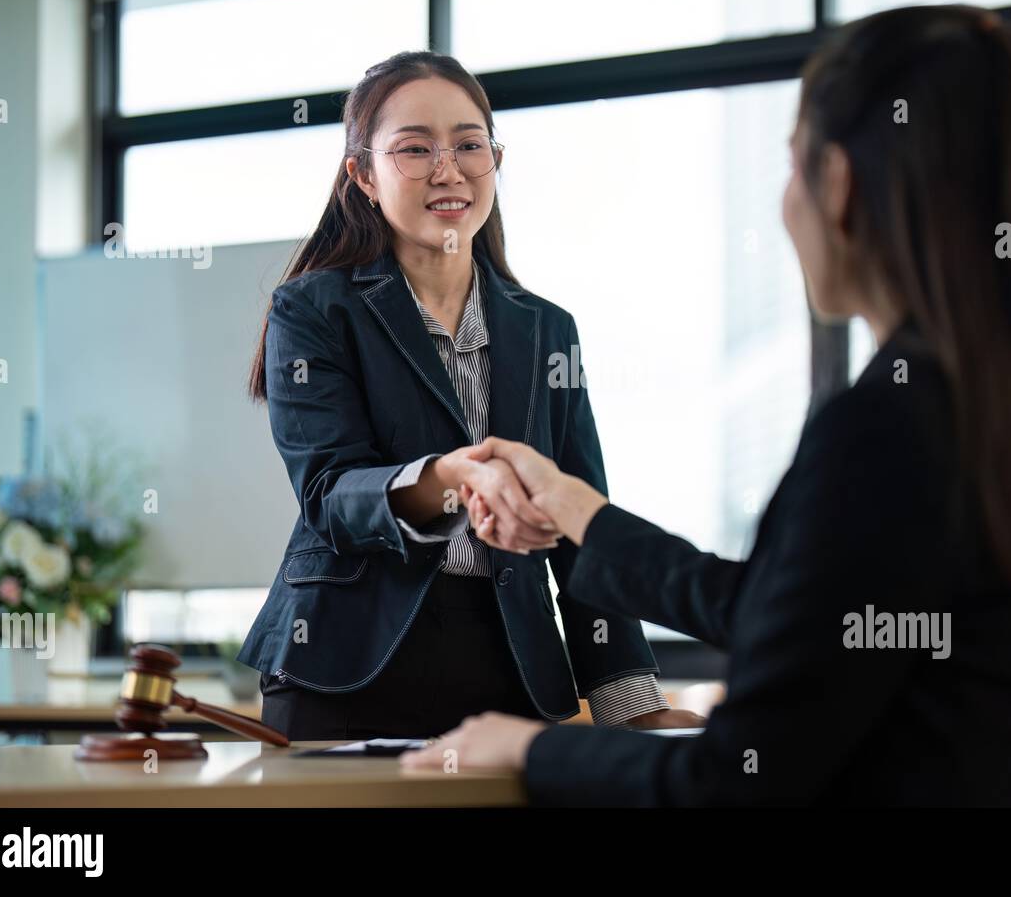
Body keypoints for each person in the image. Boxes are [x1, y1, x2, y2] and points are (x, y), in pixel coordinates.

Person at [399, 5, 1011, 806]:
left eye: (793, 166)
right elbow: (786, 612)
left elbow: (733, 781)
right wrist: (578, 511)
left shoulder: (880, 432)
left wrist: (531, 749)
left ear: (837, 184)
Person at [236, 51, 697, 740]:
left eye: (469, 145)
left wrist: (628, 698)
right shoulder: (312, 309)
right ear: (362, 175)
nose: (447, 170)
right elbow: (330, 494)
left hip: (508, 664)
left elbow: (578, 518)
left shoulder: (546, 328)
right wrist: (445, 480)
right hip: (346, 662)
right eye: (414, 149)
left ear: (495, 159)